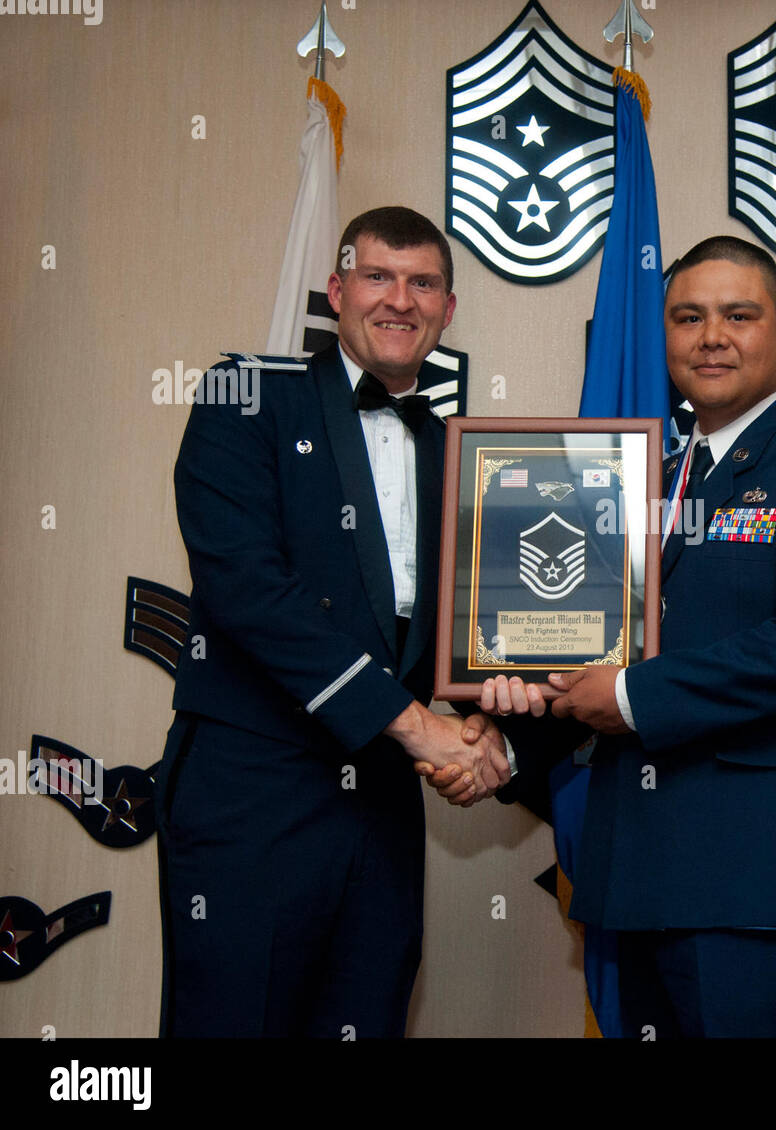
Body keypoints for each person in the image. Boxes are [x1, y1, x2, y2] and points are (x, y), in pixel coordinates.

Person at [432, 236, 776, 1038]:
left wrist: (629, 694)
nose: (711, 335)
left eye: (738, 315)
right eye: (688, 317)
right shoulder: (629, 475)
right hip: (632, 881)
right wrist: (510, 737)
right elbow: (592, 653)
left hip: (760, 892)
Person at [155, 206, 510, 1038]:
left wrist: (494, 727)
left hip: (383, 805)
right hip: (253, 797)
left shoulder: (459, 452)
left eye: (423, 283)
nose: (400, 300)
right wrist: (421, 727)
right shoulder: (247, 396)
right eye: (378, 276)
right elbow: (251, 593)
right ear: (336, 289)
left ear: (447, 310)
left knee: (368, 1018)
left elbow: (470, 634)